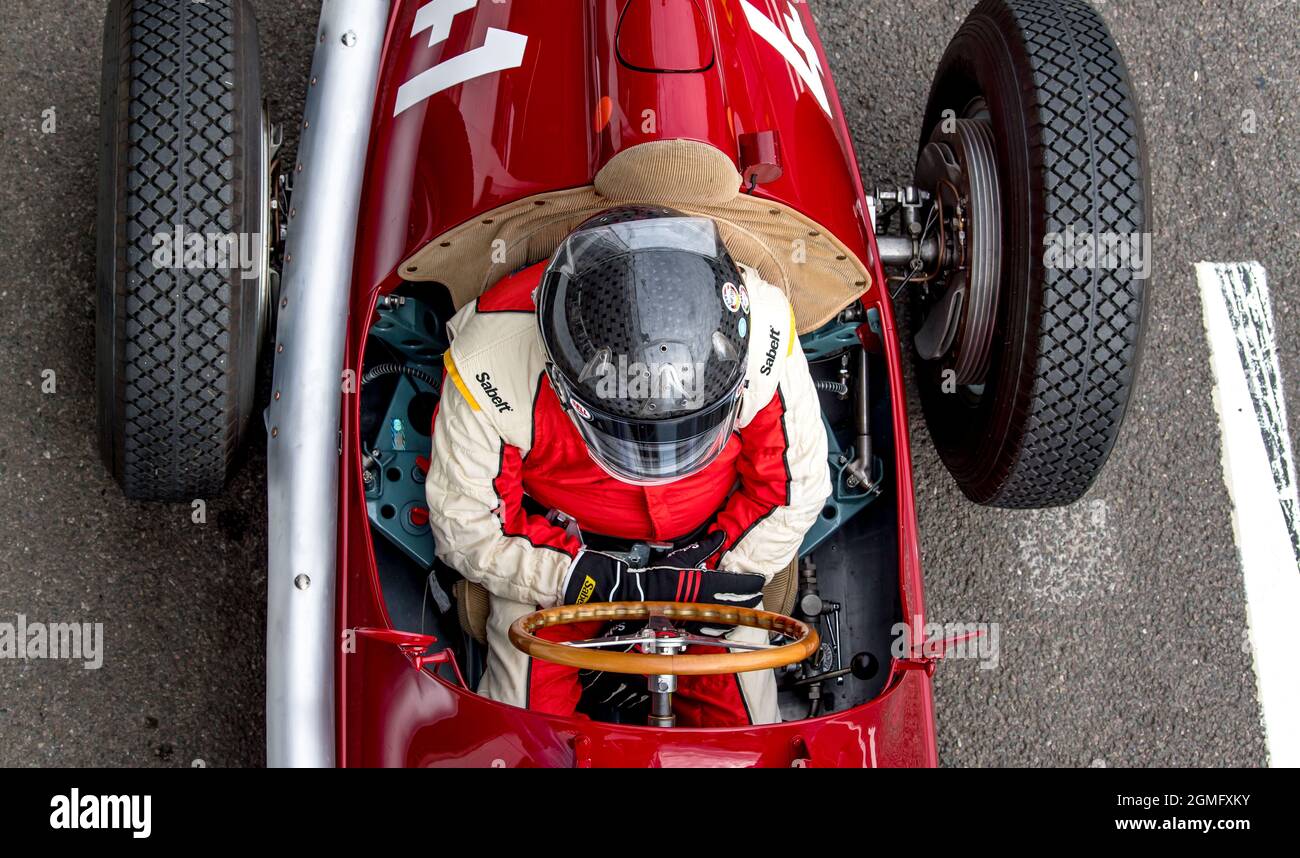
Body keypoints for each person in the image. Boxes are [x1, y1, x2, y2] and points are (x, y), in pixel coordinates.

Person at [424, 205, 830, 725]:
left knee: (747, 740)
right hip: (562, 559)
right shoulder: (488, 361)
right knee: (520, 734)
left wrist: (720, 566)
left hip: (712, 552)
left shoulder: (763, 327)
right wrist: (576, 579)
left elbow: (794, 490)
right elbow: (467, 526)